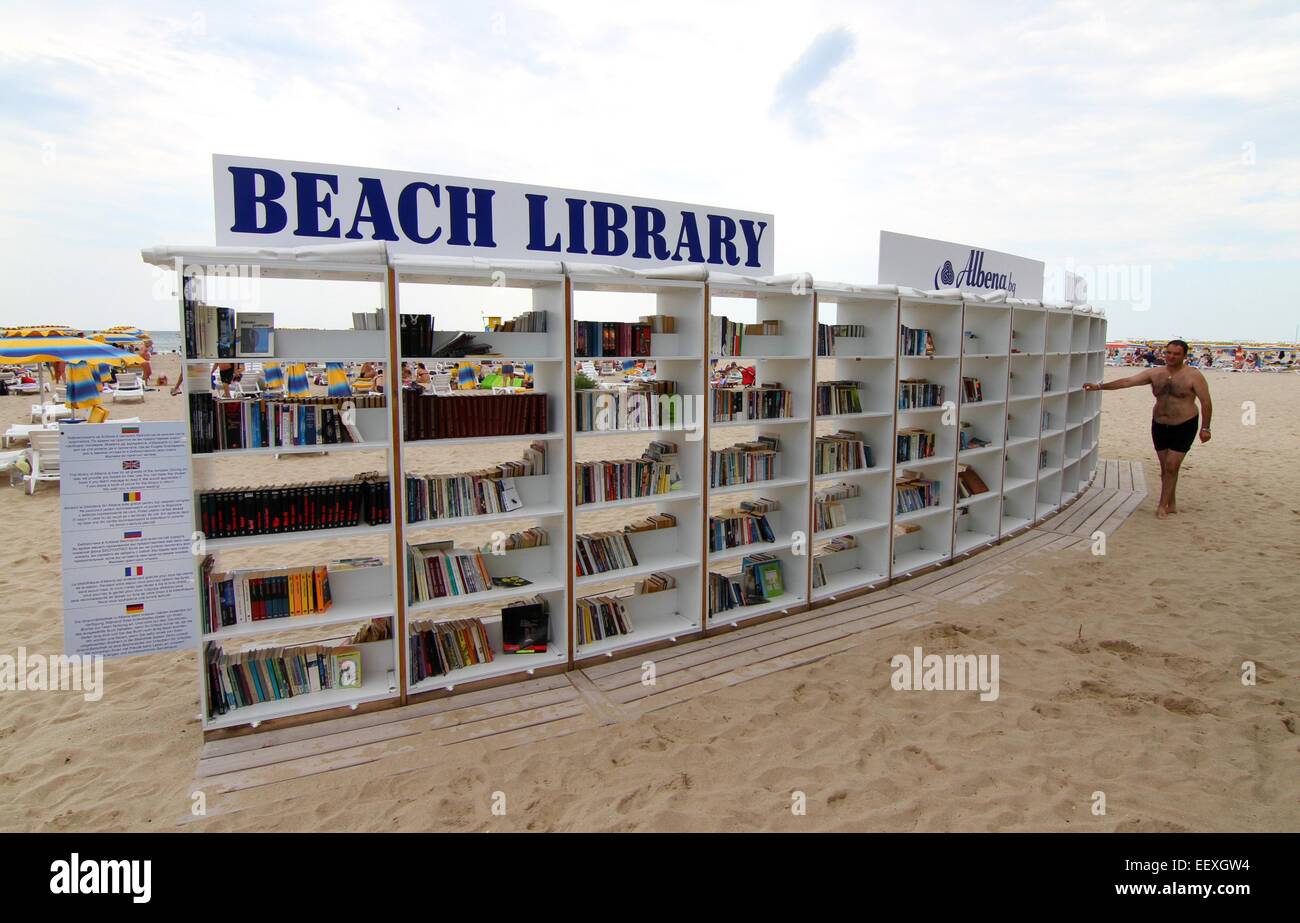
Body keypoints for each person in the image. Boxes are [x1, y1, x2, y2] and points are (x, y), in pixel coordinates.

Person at [1084, 339, 1211, 519]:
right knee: (1165, 467)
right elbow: (1128, 381)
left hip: (1185, 423)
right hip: (1159, 424)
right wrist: (1099, 387)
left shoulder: (1193, 375)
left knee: (1171, 466)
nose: (1171, 357)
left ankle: (1162, 505)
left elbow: (1206, 402)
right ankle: (1172, 503)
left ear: (1184, 356)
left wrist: (1206, 428)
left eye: (1176, 354)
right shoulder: (1155, 373)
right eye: (1168, 353)